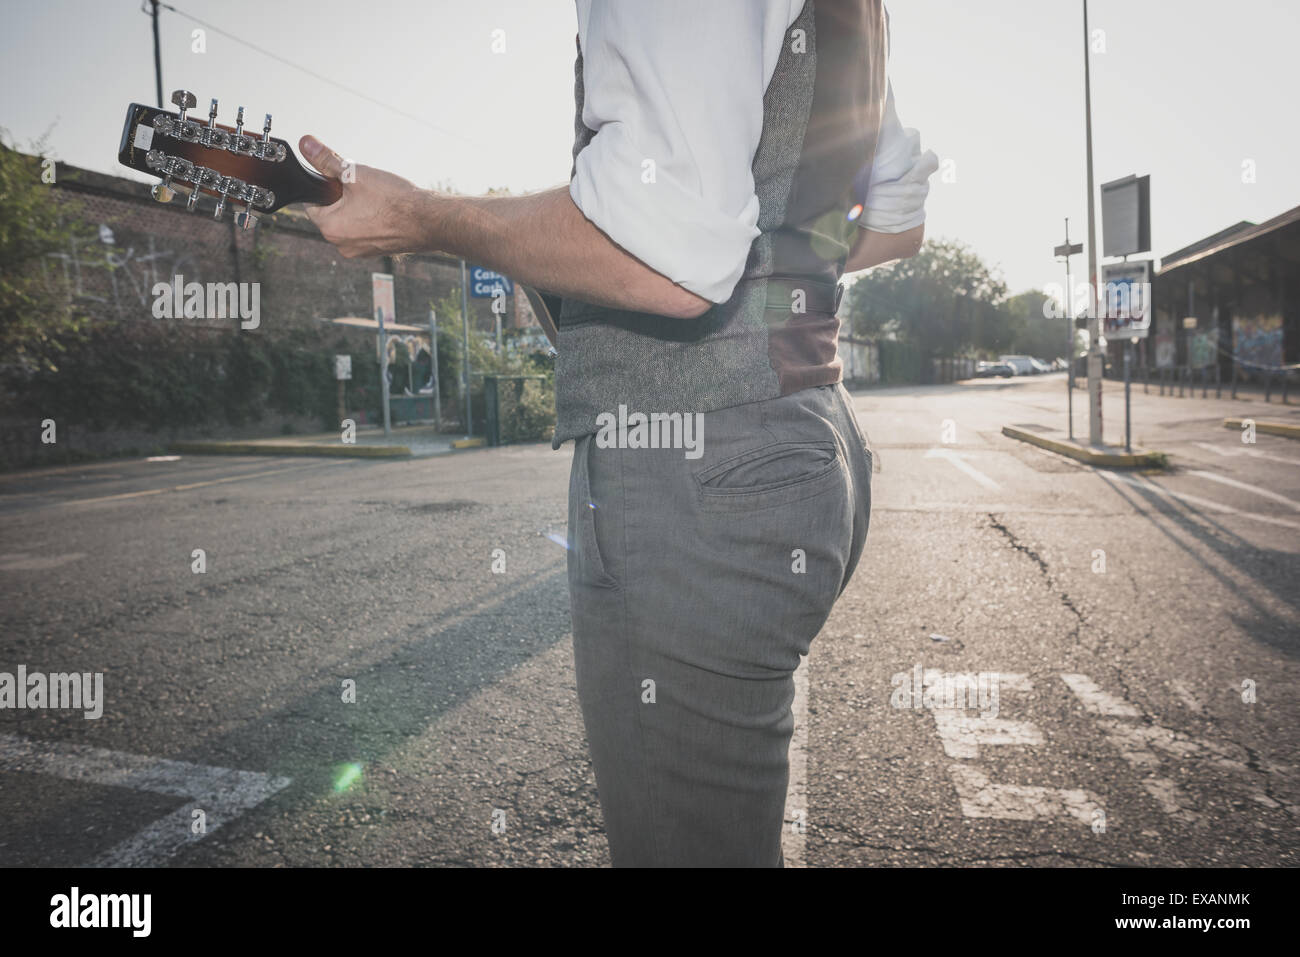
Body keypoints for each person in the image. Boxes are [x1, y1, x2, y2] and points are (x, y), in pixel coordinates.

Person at [302, 0, 936, 867]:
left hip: (702, 477)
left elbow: (666, 256)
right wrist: (768, 272)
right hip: (813, 438)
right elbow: (894, 222)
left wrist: (424, 217)